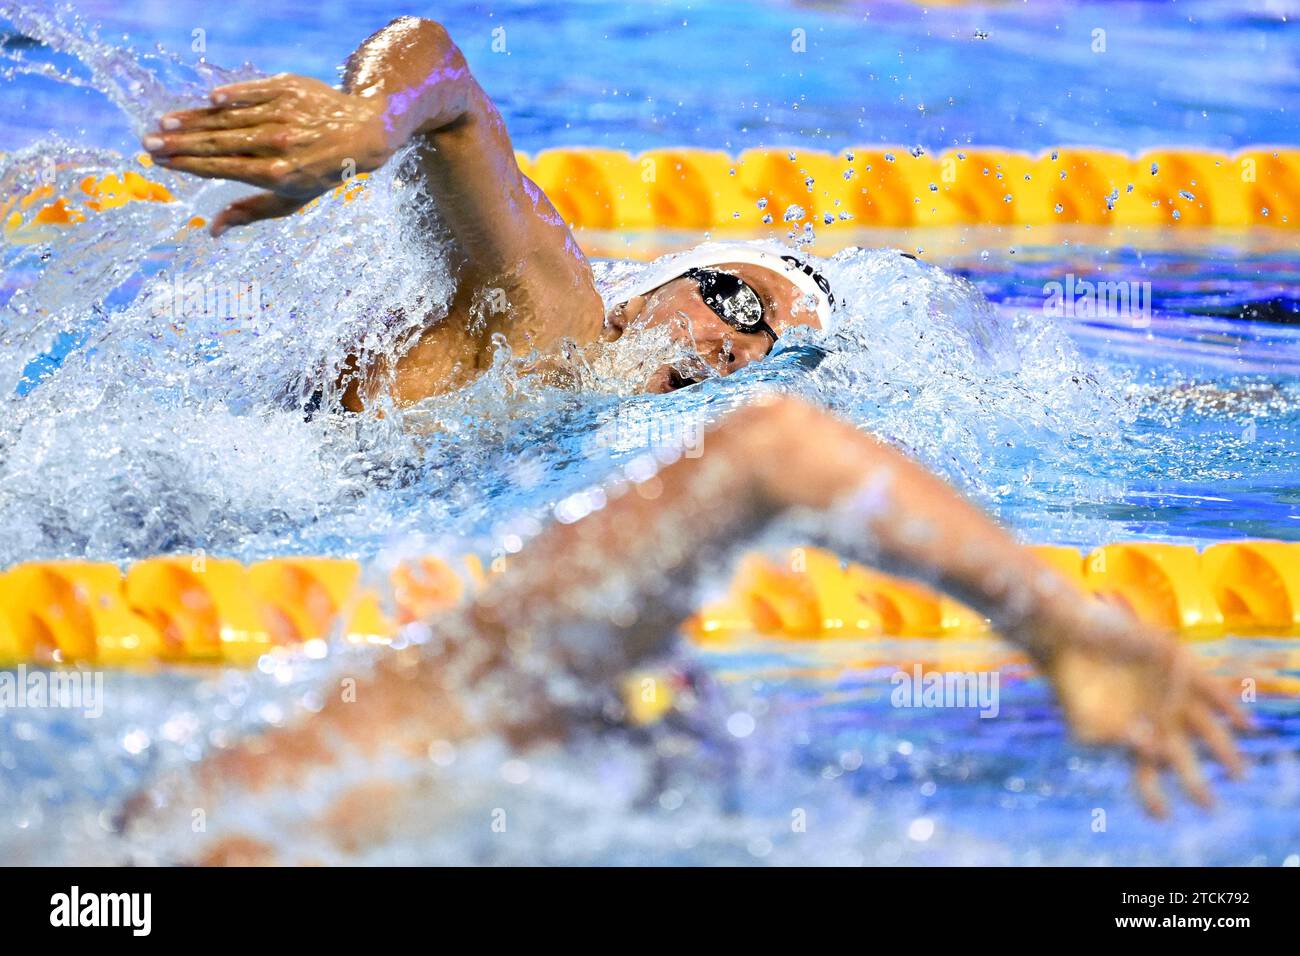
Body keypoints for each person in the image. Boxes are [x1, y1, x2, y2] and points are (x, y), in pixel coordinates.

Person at [124, 17, 1246, 860]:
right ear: (660, 279)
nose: (734, 345)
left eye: (773, 349)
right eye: (735, 300)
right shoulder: (553, 316)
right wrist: (362, 125)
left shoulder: (576, 443)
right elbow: (445, 77)